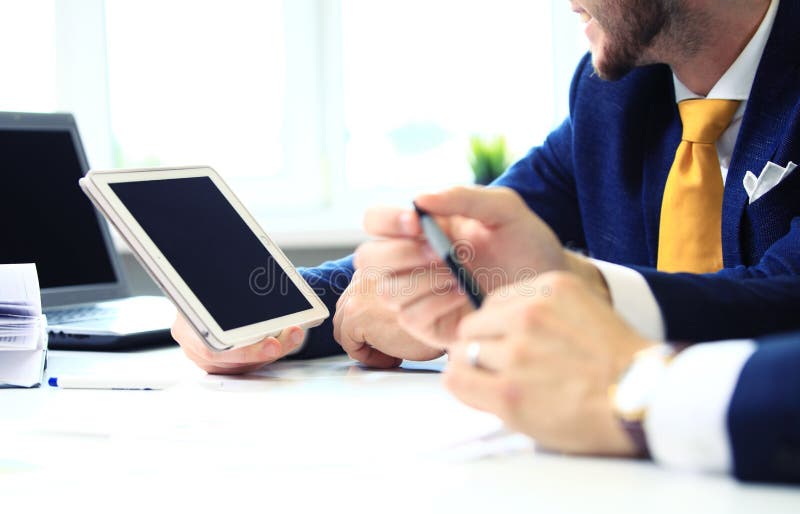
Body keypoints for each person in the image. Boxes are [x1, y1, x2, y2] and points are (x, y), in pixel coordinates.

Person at [173, 0, 800, 373]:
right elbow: (460, 246)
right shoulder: (612, 98)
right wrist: (254, 315)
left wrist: (516, 293)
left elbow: (784, 295)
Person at [357, 186, 800, 484]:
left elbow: (786, 288)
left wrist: (638, 384)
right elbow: (468, 237)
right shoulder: (614, 91)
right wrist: (301, 321)